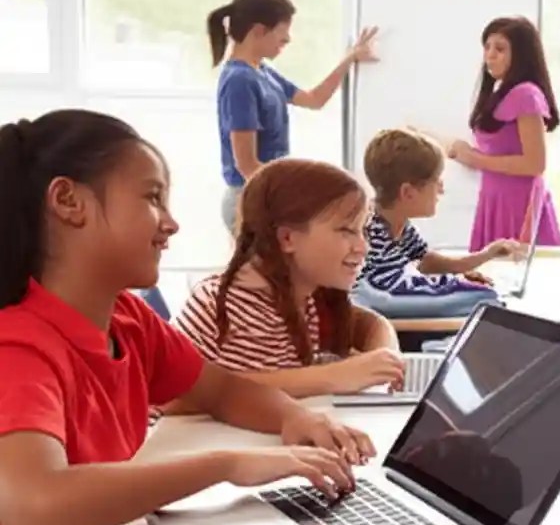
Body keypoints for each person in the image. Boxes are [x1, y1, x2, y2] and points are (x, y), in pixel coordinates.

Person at [0, 111, 372, 525]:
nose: (171, 223)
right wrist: (225, 466)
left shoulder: (129, 322)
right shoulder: (19, 346)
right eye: (153, 198)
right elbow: (36, 509)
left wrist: (294, 418)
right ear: (69, 201)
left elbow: (219, 389)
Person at [173, 159, 406, 399]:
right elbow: (184, 393)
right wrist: (334, 376)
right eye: (346, 231)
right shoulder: (224, 302)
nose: (362, 247)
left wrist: (383, 360)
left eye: (362, 231)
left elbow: (369, 325)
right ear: (287, 239)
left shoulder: (307, 295)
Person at [207, 0, 379, 232]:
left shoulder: (263, 72)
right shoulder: (239, 81)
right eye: (282, 32)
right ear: (258, 31)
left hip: (266, 195)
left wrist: (350, 58)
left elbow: (314, 99)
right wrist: (292, 194)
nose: (288, 39)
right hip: (251, 201)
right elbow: (246, 165)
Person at [356, 128, 522, 319]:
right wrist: (458, 287)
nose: (441, 190)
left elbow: (427, 262)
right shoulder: (369, 234)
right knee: (488, 299)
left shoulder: (400, 227)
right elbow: (385, 296)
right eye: (436, 181)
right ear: (408, 193)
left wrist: (485, 256)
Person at [443, 16, 560, 251]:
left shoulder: (526, 95)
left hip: (517, 203)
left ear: (520, 55)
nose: (489, 55)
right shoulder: (501, 94)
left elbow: (535, 163)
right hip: (495, 198)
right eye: (487, 47)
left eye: (500, 49)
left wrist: (476, 159)